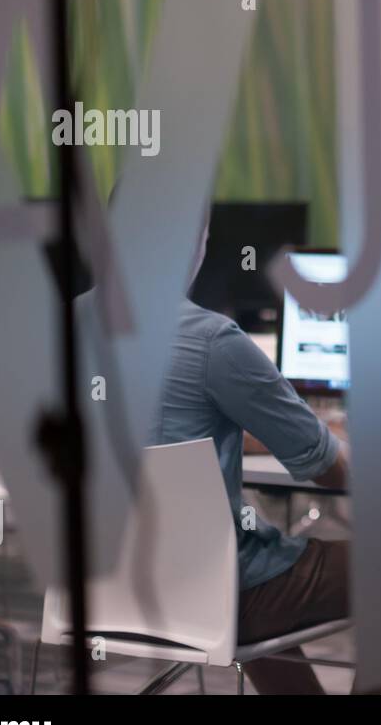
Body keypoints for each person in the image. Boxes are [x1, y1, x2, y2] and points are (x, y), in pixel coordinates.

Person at [80, 190, 356, 694]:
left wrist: (252, 438)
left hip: (94, 583)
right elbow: (330, 469)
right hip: (211, 588)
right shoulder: (214, 341)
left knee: (263, 572)